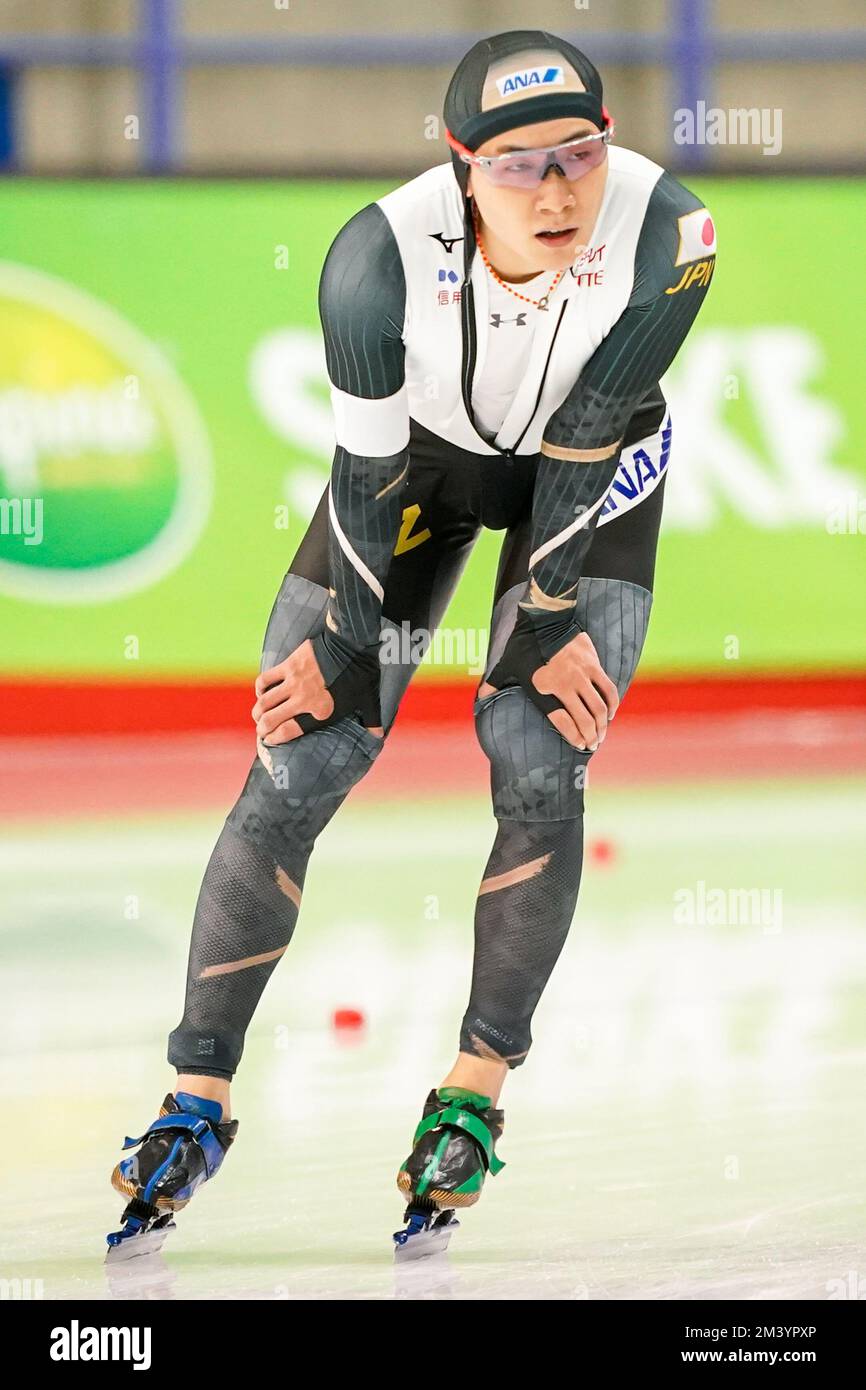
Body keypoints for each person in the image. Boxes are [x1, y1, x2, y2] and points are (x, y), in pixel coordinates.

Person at [106, 28, 716, 1259]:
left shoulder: (670, 233)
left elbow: (592, 426)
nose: (555, 191)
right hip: (420, 469)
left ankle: (473, 1093)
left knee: (538, 748)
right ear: (456, 166)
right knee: (303, 751)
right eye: (516, 166)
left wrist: (543, 616)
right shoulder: (374, 264)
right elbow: (369, 469)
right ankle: (195, 1096)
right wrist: (343, 641)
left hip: (590, 476)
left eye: (579, 154)